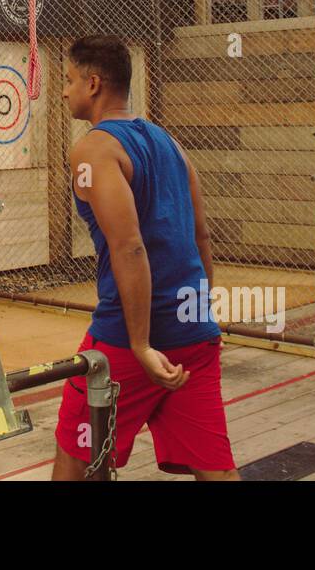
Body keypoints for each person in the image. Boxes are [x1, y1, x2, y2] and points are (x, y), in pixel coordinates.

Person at [52, 35, 239, 480]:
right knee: (215, 467)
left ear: (92, 84)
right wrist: (200, 317)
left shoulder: (93, 149)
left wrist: (140, 345)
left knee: (74, 460)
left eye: (69, 80)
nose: (63, 90)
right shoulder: (171, 143)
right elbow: (202, 236)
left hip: (128, 339)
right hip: (194, 335)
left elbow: (129, 246)